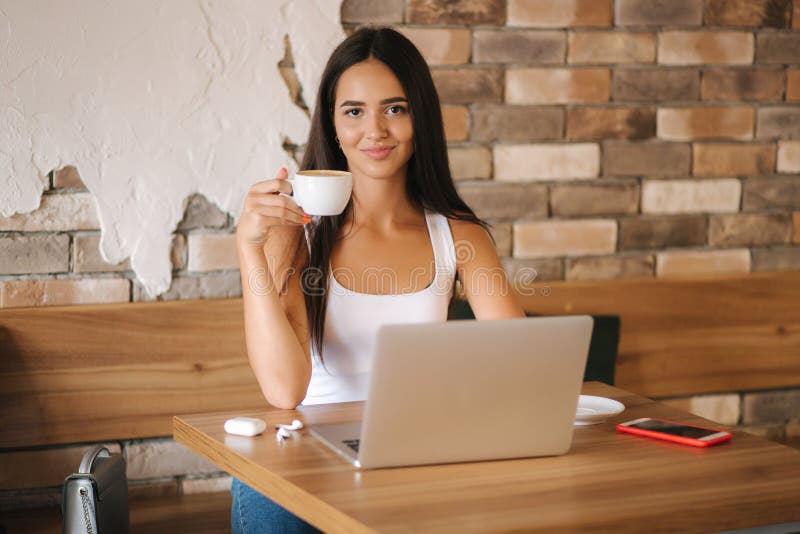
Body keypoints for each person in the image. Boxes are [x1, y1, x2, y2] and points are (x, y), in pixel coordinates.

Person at [232, 26, 525, 534]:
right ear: (332, 124)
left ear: (420, 117)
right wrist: (248, 250)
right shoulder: (296, 234)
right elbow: (284, 390)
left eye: (395, 108)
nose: (375, 131)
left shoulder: (458, 234)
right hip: (310, 453)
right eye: (354, 111)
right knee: (266, 500)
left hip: (416, 450)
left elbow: (521, 362)